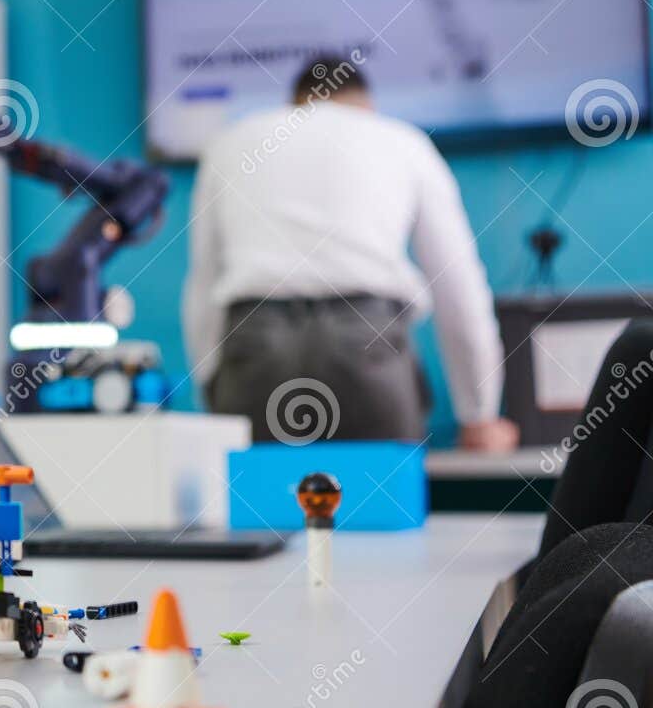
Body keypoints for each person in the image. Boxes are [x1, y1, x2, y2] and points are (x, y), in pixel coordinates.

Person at [182, 55, 518, 451]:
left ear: (295, 101)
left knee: (256, 504)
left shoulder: (230, 144)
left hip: (256, 353)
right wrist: (479, 413)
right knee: (385, 504)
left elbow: (203, 286)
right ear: (365, 103)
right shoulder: (403, 142)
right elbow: (458, 286)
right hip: (368, 348)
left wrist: (211, 391)